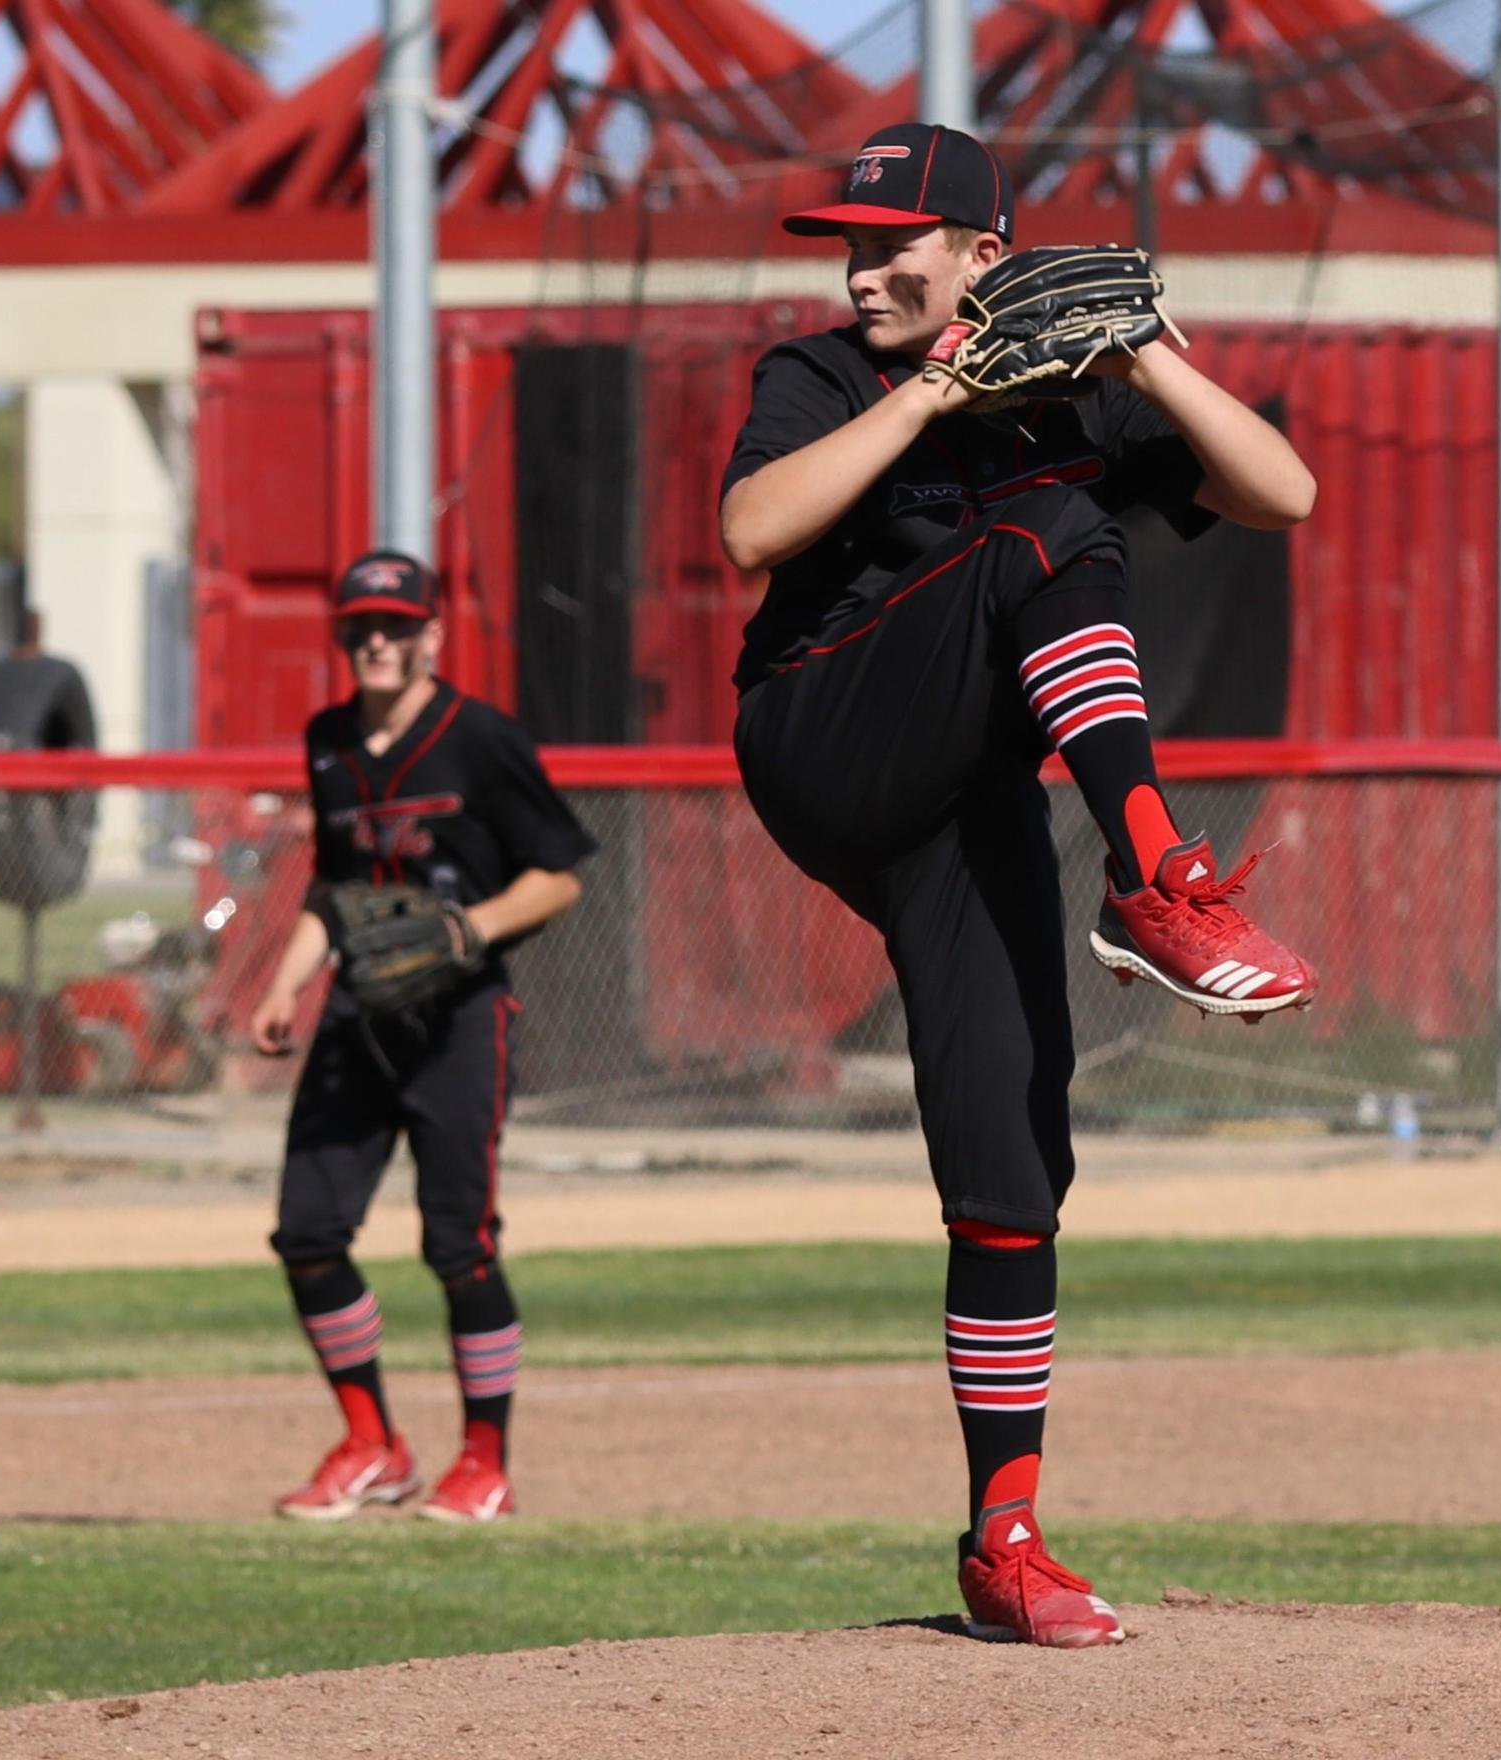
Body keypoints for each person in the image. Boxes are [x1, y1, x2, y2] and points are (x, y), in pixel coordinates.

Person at [720, 123, 1320, 1646]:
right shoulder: (823, 373)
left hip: (959, 800)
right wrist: (934, 390)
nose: (860, 270)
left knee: (1012, 1164)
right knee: (1052, 528)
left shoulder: (1072, 393)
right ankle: (1159, 876)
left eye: (891, 245)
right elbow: (750, 530)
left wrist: (1149, 356)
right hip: (823, 726)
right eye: (849, 246)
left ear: (985, 255)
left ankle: (1004, 1540)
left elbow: (1284, 493)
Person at [250, 550, 595, 1523]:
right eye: (362, 626)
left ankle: (485, 1459)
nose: (378, 642)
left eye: (397, 626)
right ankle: (373, 1444)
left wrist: (467, 929)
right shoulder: (329, 741)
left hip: (460, 1019)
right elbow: (334, 883)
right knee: (307, 1232)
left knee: (460, 1245)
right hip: (357, 1016)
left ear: (432, 635)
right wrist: (285, 982)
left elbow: (560, 874)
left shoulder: (480, 738)